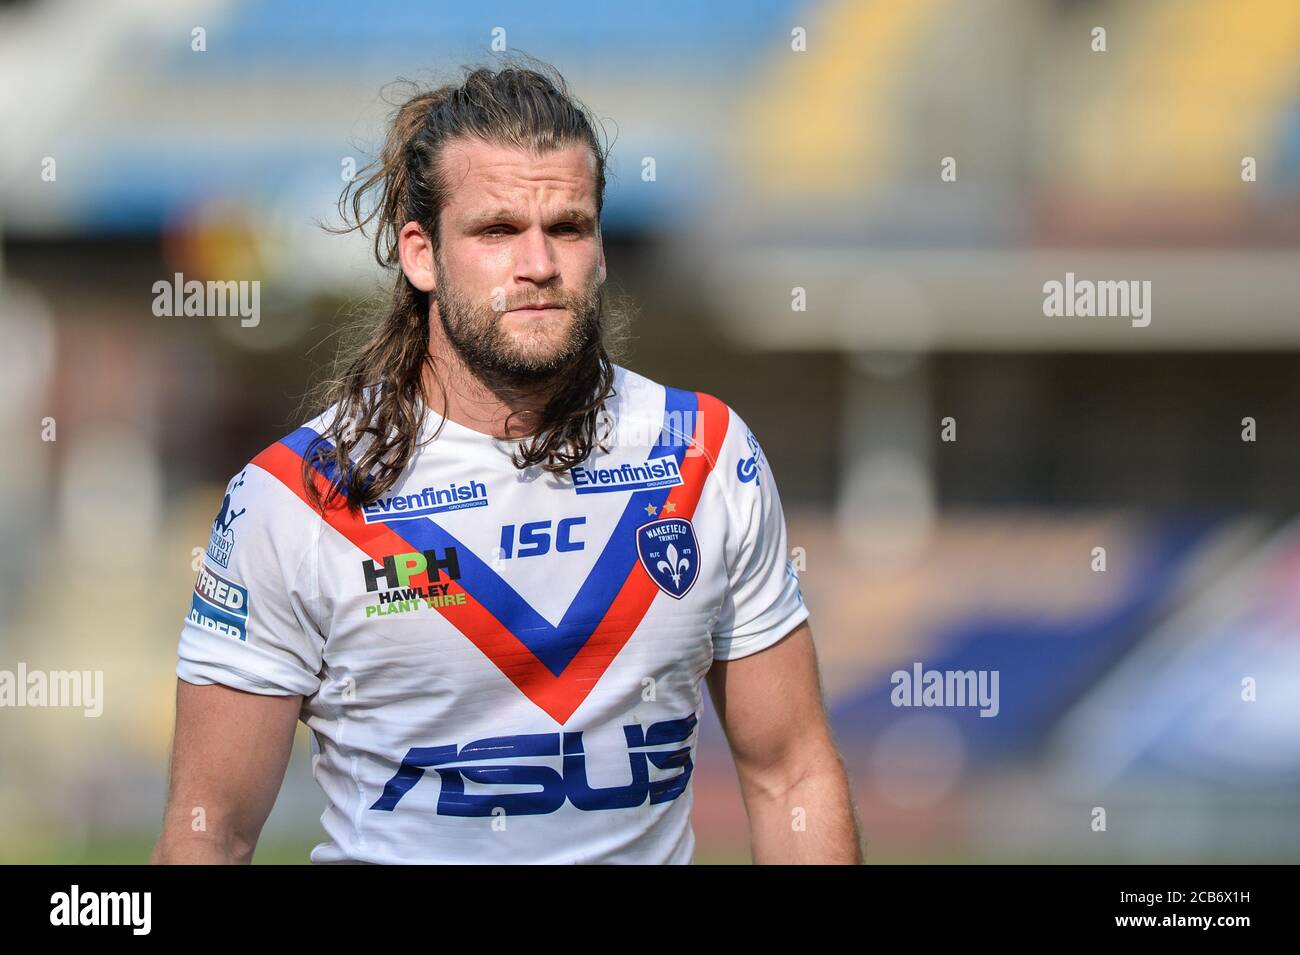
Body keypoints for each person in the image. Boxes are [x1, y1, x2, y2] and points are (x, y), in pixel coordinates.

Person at [152, 60, 862, 864]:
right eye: (497, 231)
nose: (539, 264)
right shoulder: (294, 497)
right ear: (421, 255)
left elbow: (793, 777)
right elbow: (211, 835)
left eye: (568, 226)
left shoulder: (703, 452)